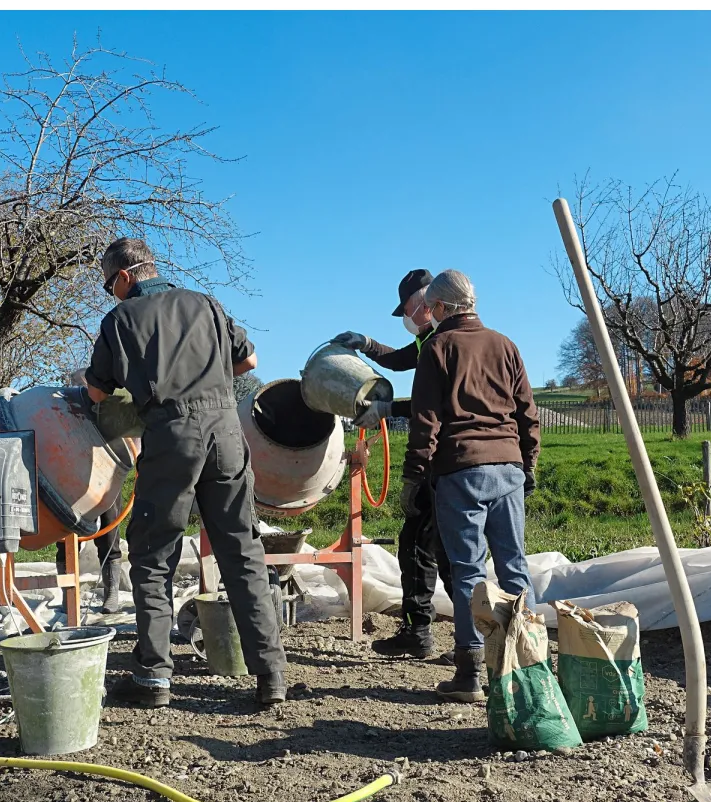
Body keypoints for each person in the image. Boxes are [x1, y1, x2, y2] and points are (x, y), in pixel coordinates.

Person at [84, 237, 287, 708]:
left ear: (125, 276)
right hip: (227, 432)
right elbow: (249, 361)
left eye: (108, 284)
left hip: (173, 434)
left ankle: (154, 675)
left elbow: (96, 395)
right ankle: (271, 673)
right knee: (242, 550)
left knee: (154, 553)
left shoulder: (120, 320)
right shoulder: (206, 303)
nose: (109, 293)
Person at [401, 269, 541, 703]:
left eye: (432, 308)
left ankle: (470, 671)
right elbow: (527, 413)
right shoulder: (505, 345)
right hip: (508, 468)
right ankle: (529, 667)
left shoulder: (438, 348)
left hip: (461, 470)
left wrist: (414, 475)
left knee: (468, 571)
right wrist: (527, 463)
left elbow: (426, 421)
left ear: (441, 308)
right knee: (514, 567)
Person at [329, 269, 455, 661]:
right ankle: (473, 635)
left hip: (442, 459)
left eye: (408, 308)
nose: (407, 317)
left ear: (426, 301)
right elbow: (400, 360)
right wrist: (366, 344)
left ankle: (426, 632)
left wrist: (388, 409)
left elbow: (432, 407)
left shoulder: (441, 342)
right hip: (464, 463)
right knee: (445, 548)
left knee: (422, 545)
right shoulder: (432, 339)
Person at [56, 370, 129, 615]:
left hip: (107, 477)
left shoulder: (111, 407)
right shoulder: (65, 412)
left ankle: (111, 594)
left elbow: (126, 445)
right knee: (65, 538)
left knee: (109, 534)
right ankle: (68, 596)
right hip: (69, 479)